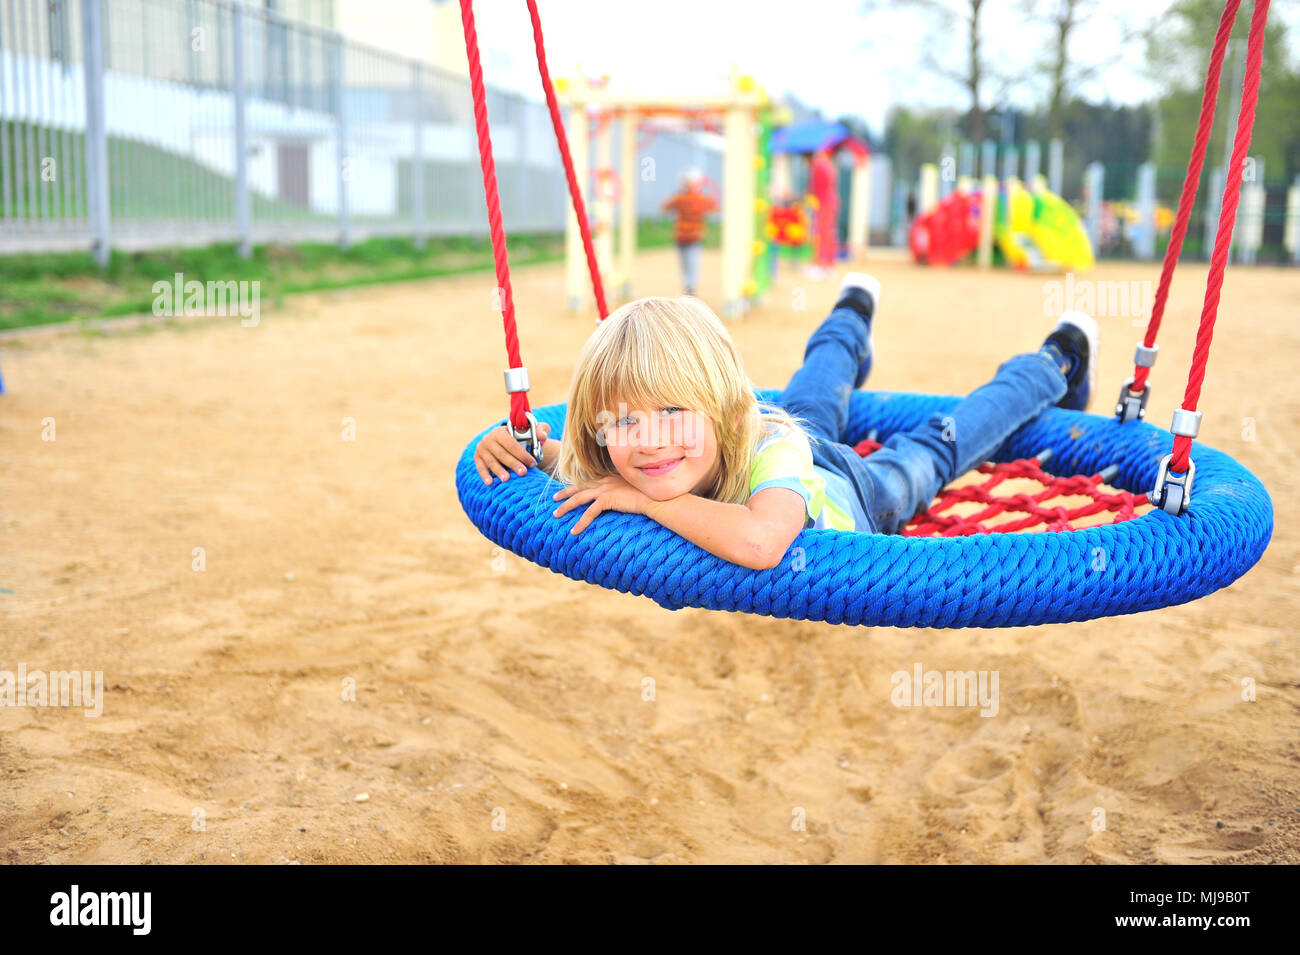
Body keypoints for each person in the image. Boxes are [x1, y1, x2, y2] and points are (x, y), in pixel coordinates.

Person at [472, 274, 1098, 570]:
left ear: (721, 410)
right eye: (625, 423)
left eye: (671, 411)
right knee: (814, 394)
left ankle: (1055, 361)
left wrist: (646, 504)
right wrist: (526, 448)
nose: (651, 441)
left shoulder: (774, 451)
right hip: (785, 441)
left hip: (857, 495)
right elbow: (571, 464)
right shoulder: (631, 456)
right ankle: (851, 314)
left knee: (935, 446)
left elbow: (761, 543)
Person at [661, 170, 718, 296]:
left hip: (685, 237)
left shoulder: (679, 198)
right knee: (691, 266)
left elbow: (665, 207)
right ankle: (689, 289)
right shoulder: (699, 199)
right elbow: (714, 207)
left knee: (687, 266)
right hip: (690, 237)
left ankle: (689, 288)